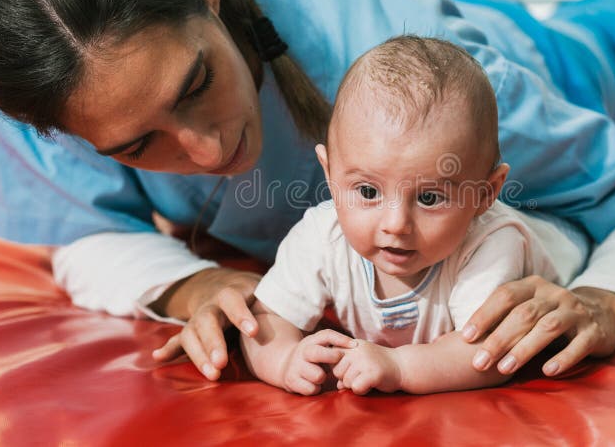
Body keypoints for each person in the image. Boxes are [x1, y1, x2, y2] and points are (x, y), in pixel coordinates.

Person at [0, 0, 615, 383]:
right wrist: (189, 284)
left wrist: (602, 302)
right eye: (139, 143)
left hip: (524, 52)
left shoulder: (445, 89)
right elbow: (81, 228)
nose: (207, 151)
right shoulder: (63, 72)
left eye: (197, 82)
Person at [243, 35, 591, 395]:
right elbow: (266, 320)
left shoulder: (491, 244)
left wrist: (398, 366)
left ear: (485, 194)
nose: (395, 225)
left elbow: (486, 354)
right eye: (368, 192)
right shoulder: (321, 235)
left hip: (566, 236)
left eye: (428, 197)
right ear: (330, 175)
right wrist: (285, 360)